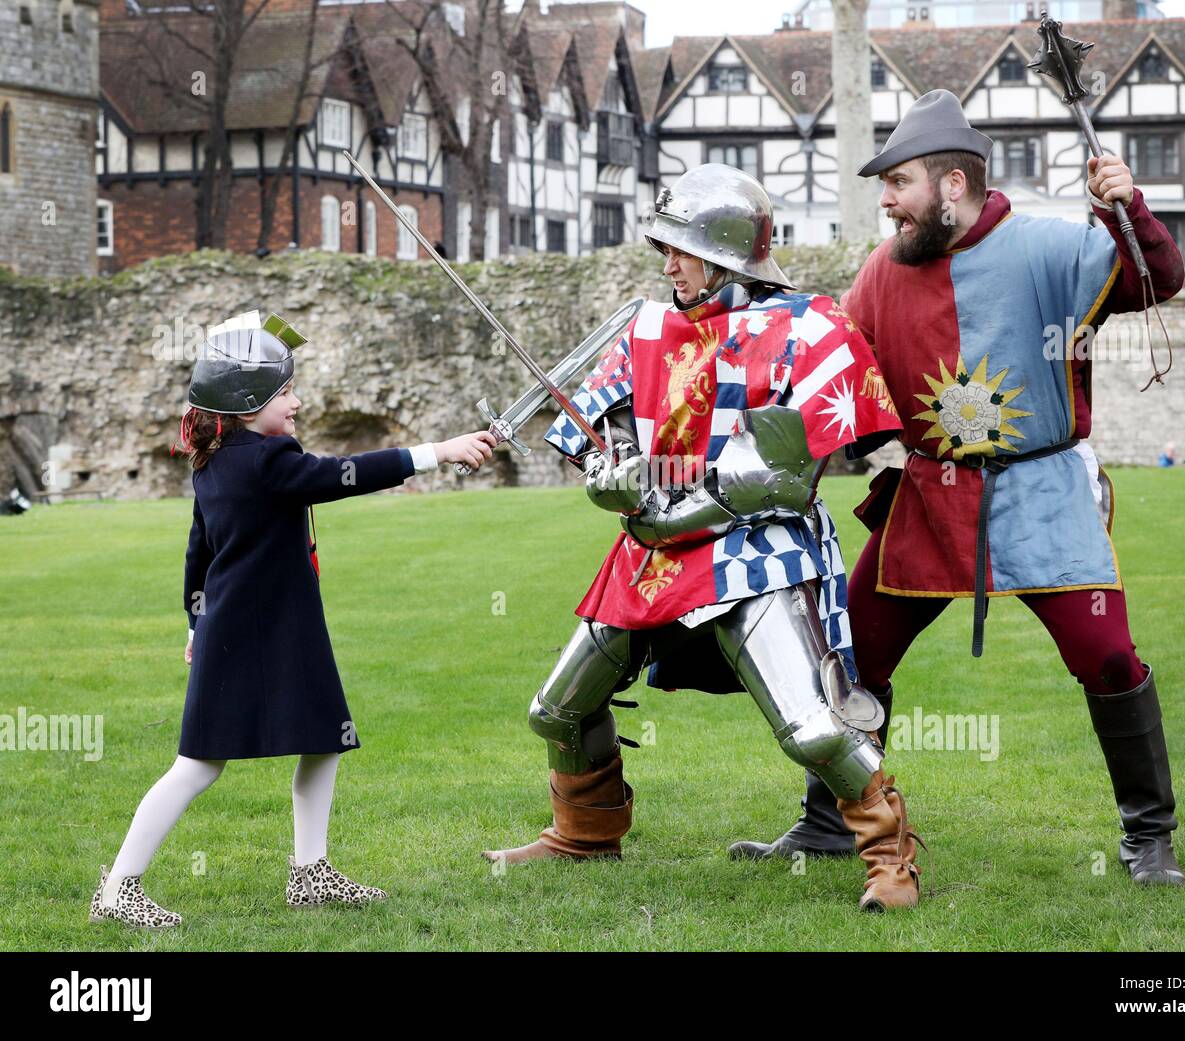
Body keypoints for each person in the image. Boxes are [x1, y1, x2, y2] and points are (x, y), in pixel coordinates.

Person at [729, 90, 1185, 888]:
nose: (887, 201)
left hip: (1043, 488)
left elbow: (1159, 280)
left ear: (950, 184)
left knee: (1108, 656)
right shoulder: (881, 272)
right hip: (930, 495)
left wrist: (1130, 210)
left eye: (898, 182)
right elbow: (838, 368)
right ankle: (829, 823)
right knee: (852, 653)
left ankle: (1149, 838)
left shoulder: (1048, 247)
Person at [482, 164, 925, 911]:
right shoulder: (647, 327)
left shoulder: (808, 326)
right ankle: (585, 834)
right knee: (554, 710)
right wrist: (609, 475)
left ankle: (891, 857)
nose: (669, 264)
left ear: (723, 251)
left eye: (680, 249)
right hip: (649, 552)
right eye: (665, 249)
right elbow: (599, 438)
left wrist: (669, 509)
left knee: (814, 729)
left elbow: (777, 472)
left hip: (757, 549)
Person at [89, 311, 495, 928]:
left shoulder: (218, 460)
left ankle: (310, 874)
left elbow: (198, 554)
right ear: (249, 403)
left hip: (275, 626)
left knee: (322, 739)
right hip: (248, 631)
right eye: (286, 393)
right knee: (198, 765)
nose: (299, 402)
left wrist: (193, 624)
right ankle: (118, 888)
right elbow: (339, 475)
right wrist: (438, 452)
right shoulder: (265, 461)